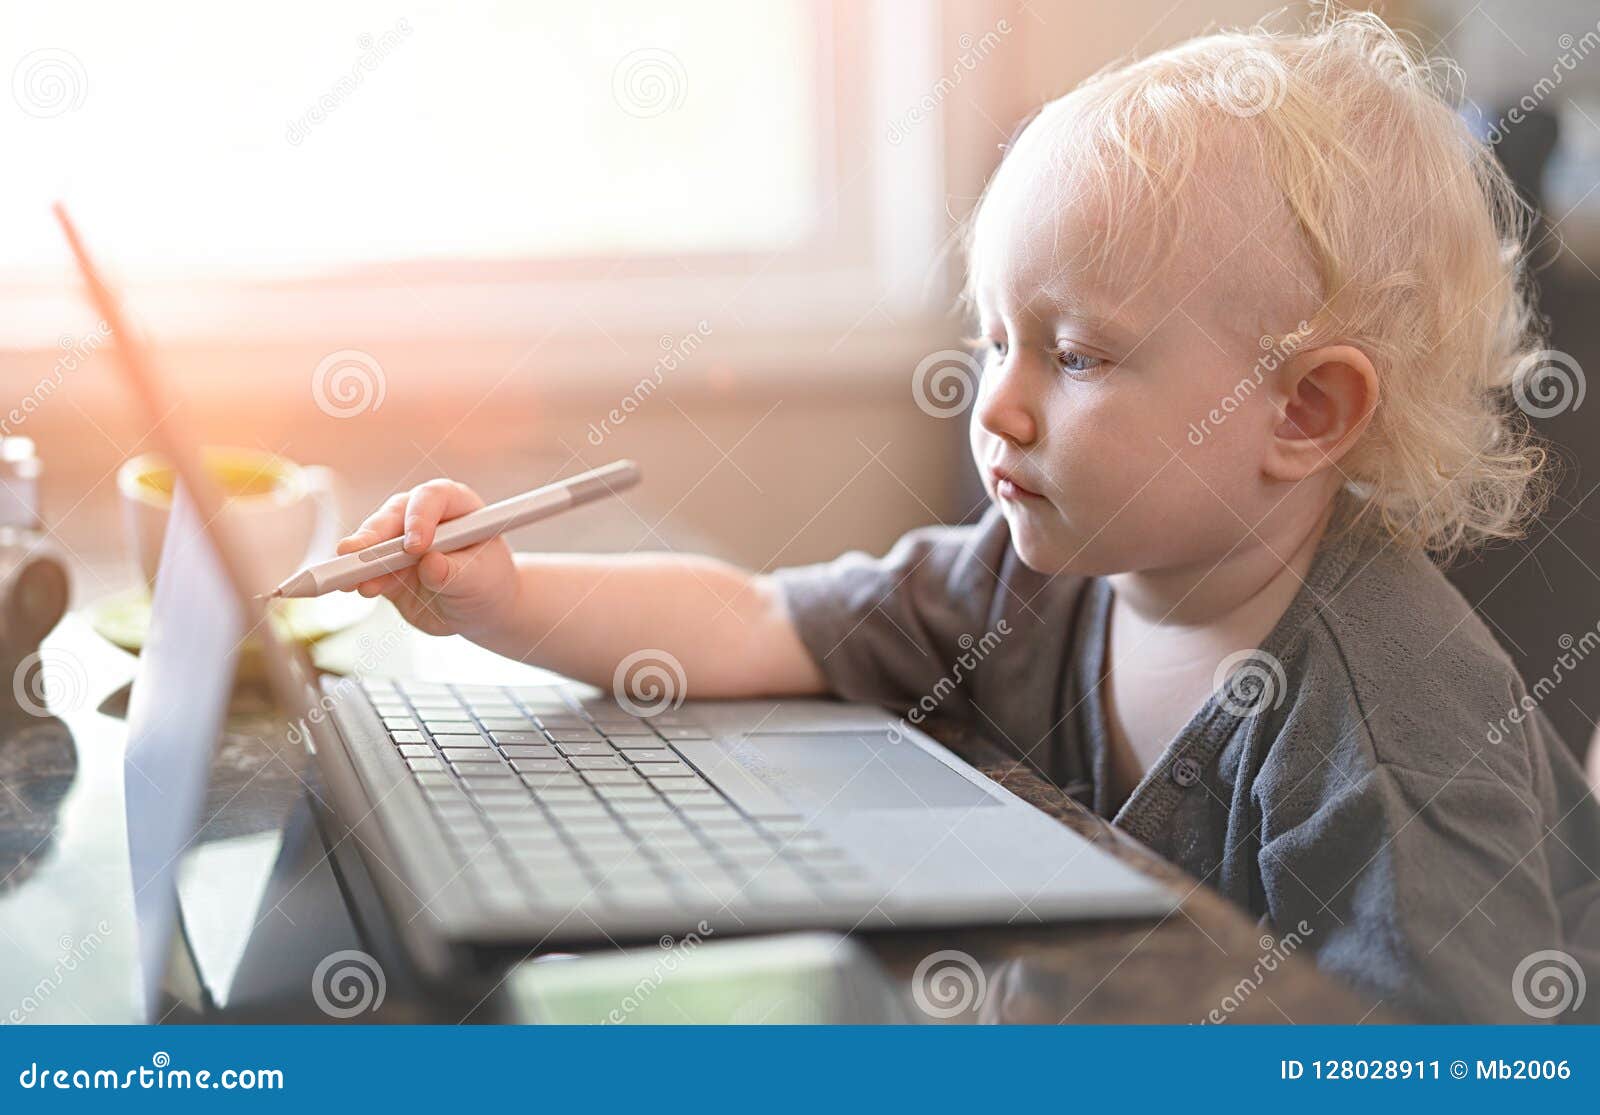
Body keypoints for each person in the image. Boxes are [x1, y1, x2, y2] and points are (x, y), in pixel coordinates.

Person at [339, 10, 1598, 1022]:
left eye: (1078, 354)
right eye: (993, 339)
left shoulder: (1393, 721)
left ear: (1304, 411)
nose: (994, 404)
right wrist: (498, 596)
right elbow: (757, 619)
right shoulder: (1026, 577)